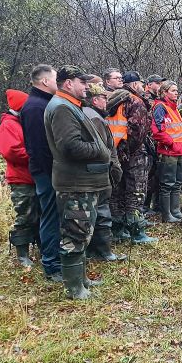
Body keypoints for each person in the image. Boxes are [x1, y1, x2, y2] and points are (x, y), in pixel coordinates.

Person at [44, 65, 110, 300]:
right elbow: (70, 147)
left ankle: (80, 279)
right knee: (74, 233)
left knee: (83, 232)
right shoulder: (62, 107)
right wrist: (100, 149)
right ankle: (74, 288)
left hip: (83, 181)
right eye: (82, 82)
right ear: (68, 83)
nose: (87, 87)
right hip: (75, 183)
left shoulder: (70, 105)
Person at [20, 64, 62, 282]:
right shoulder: (36, 107)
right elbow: (39, 148)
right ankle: (52, 264)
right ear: (45, 81)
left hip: (50, 171)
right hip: (47, 173)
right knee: (51, 216)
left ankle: (56, 259)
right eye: (56, 78)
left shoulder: (44, 103)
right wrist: (54, 174)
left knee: (54, 215)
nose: (59, 83)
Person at [106, 71, 156, 243]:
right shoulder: (135, 101)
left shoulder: (110, 98)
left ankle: (118, 230)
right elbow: (138, 131)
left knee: (116, 192)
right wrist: (131, 151)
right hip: (134, 154)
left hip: (113, 152)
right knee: (136, 192)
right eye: (141, 84)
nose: (142, 87)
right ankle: (137, 232)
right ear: (135, 85)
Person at [82, 82, 126, 261]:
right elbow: (103, 149)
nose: (106, 101)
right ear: (94, 100)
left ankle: (100, 250)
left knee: (99, 212)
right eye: (103, 98)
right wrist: (112, 168)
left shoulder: (94, 115)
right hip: (99, 173)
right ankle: (103, 251)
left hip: (100, 171)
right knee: (101, 212)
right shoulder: (93, 117)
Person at [0, 89, 39, 267]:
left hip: (33, 176)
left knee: (38, 213)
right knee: (25, 216)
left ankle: (38, 247)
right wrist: (35, 155)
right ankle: (21, 254)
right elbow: (11, 151)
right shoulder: (8, 125)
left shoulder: (21, 122)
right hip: (21, 179)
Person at [151, 80, 182, 223]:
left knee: (178, 182)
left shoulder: (174, 108)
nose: (176, 92)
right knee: (167, 183)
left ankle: (175, 210)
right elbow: (158, 131)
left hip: (180, 151)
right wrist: (171, 144)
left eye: (177, 90)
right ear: (165, 92)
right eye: (173, 90)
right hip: (169, 152)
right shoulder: (160, 107)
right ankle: (166, 214)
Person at [142, 74, 164, 214]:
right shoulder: (145, 99)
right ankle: (144, 205)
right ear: (149, 84)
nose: (159, 85)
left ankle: (156, 204)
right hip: (148, 141)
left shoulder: (158, 99)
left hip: (156, 142)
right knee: (148, 174)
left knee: (156, 174)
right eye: (157, 83)